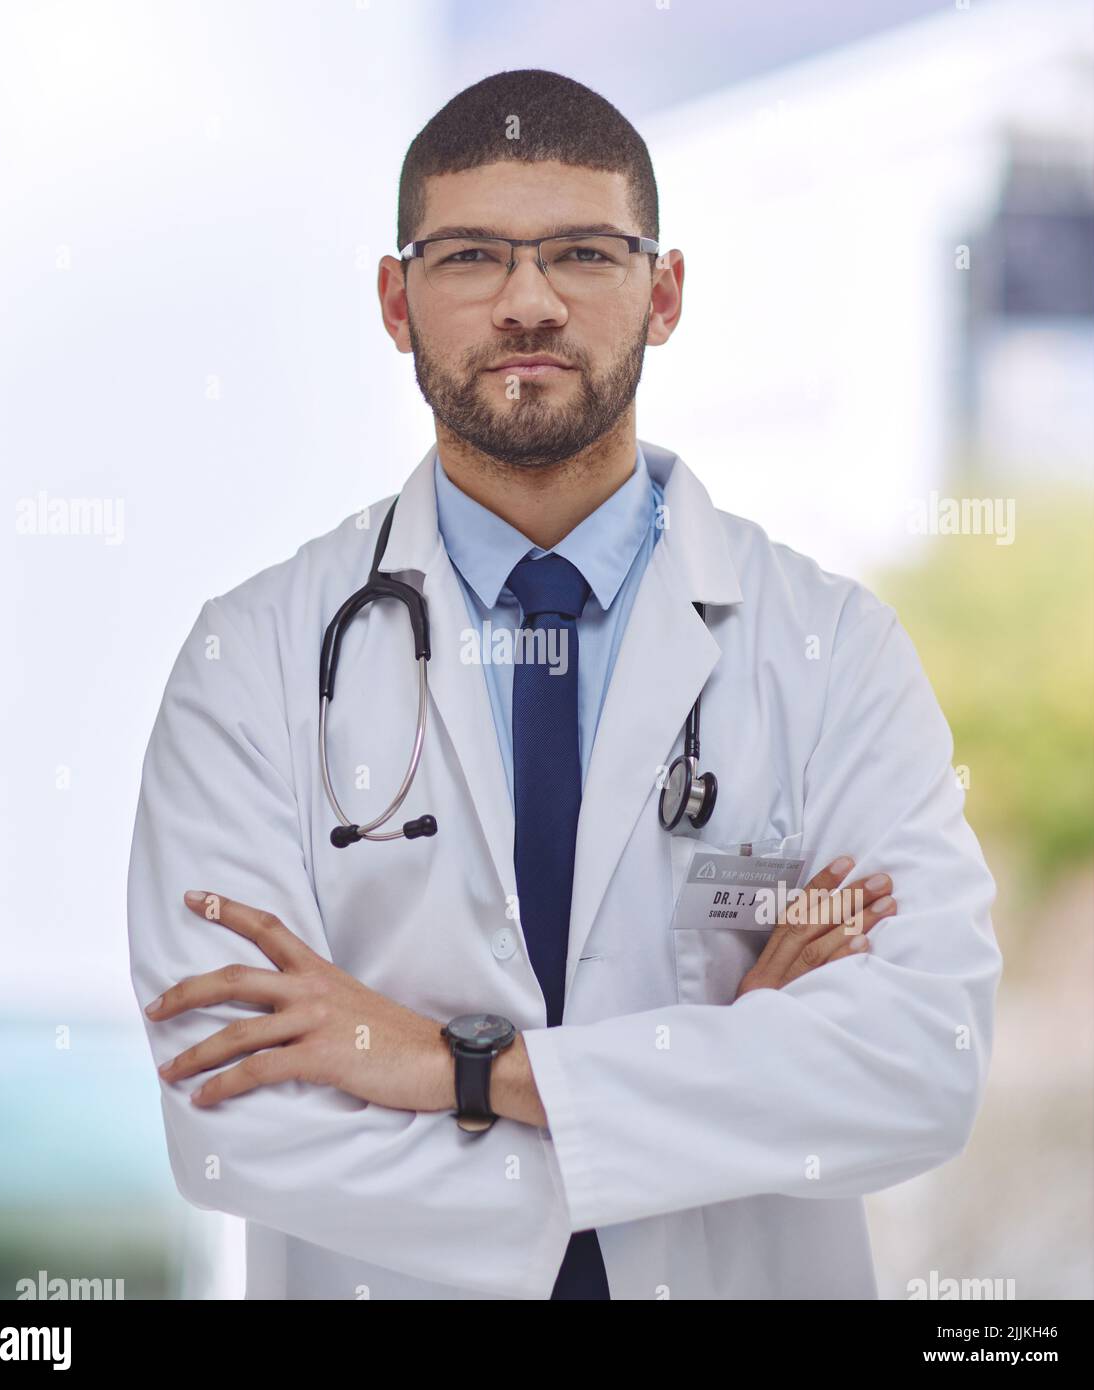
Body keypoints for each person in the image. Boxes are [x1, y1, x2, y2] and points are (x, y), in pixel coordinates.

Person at [127, 69, 1002, 1300]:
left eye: (584, 253)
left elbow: (920, 1064)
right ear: (396, 299)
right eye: (472, 255)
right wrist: (724, 1073)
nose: (527, 302)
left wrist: (453, 1067)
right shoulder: (252, 659)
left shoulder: (832, 648)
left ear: (667, 290)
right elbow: (236, 1115)